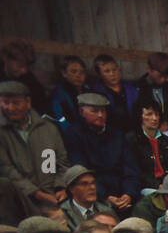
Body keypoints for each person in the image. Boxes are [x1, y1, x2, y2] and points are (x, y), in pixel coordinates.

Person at [0, 80, 70, 219]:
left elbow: (62, 161)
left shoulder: (48, 127)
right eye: (5, 103)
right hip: (19, 200)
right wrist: (37, 193)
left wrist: (60, 187)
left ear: (28, 102)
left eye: (16, 103)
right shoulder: (2, 132)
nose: (11, 108)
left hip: (53, 196)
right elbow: (6, 169)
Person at [62, 93, 140, 216]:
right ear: (81, 112)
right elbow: (82, 171)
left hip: (123, 192)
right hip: (96, 193)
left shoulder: (116, 134)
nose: (100, 115)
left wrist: (128, 194)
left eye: (103, 111)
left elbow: (130, 168)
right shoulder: (74, 134)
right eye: (94, 111)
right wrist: (107, 197)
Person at [127, 101, 168, 193]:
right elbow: (135, 171)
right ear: (140, 117)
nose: (154, 118)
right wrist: (157, 185)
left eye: (157, 114)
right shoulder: (132, 140)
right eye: (149, 114)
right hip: (146, 187)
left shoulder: (166, 140)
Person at [87, 55, 140, 133]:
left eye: (114, 70)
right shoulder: (96, 92)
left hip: (135, 130)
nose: (112, 74)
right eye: (107, 71)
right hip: (112, 133)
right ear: (100, 74)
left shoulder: (131, 89)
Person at [135, 52, 168, 129]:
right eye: (160, 76)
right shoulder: (137, 90)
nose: (163, 80)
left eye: (166, 76)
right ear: (149, 69)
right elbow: (137, 118)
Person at [48, 55, 88, 126]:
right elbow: (59, 118)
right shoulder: (59, 94)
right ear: (64, 73)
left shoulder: (87, 91)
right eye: (73, 72)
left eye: (82, 72)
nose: (78, 75)